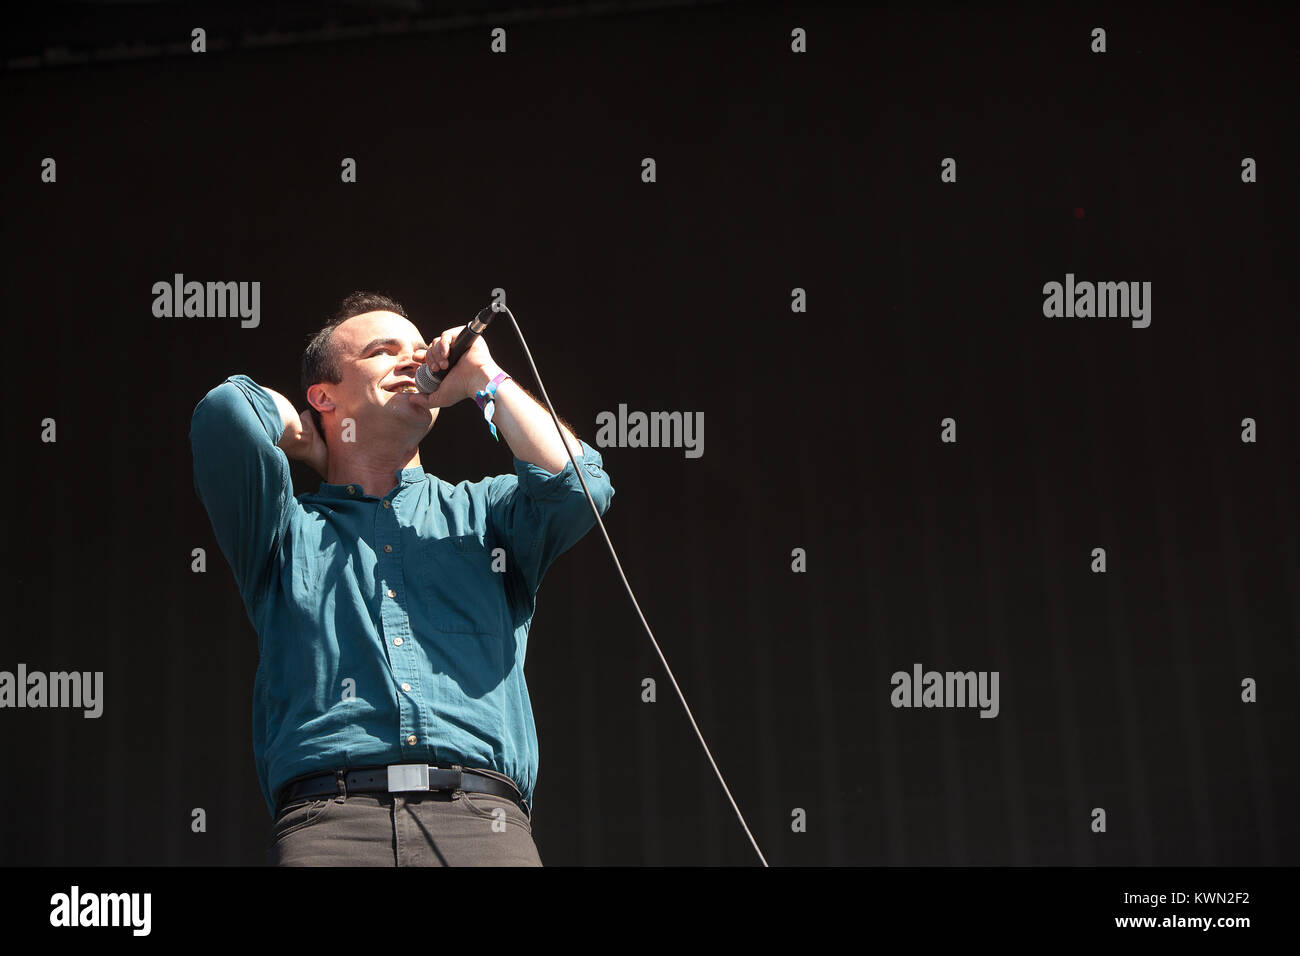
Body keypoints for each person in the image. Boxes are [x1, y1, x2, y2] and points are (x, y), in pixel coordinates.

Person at [188, 291, 614, 866]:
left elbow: (579, 487)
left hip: (482, 824)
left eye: (419, 351)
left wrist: (485, 377)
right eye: (382, 351)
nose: (412, 361)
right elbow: (227, 413)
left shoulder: (486, 513)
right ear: (323, 395)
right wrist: (304, 439)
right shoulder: (285, 528)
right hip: (330, 827)